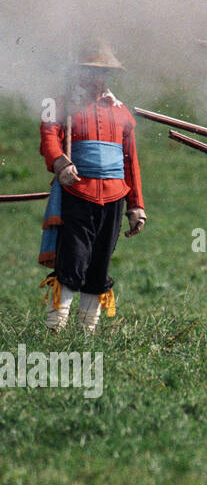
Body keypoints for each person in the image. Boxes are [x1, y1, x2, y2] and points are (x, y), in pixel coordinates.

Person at [39, 40, 146, 333]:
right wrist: (61, 163)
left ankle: (88, 332)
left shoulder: (122, 112)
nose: (96, 78)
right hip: (77, 191)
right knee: (73, 260)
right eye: (88, 71)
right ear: (77, 72)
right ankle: (55, 327)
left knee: (99, 264)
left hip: (115, 196)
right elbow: (49, 135)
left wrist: (136, 205)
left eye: (102, 73)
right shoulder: (61, 106)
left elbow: (130, 161)